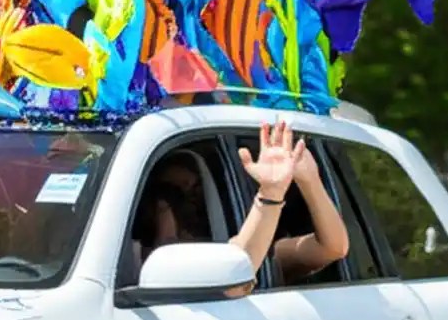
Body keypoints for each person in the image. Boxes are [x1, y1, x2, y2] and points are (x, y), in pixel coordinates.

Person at [134, 121, 349, 284]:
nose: (188, 201)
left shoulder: (247, 251)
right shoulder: (120, 260)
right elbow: (164, 269)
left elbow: (332, 248)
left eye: (197, 189)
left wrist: (309, 180)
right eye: (172, 192)